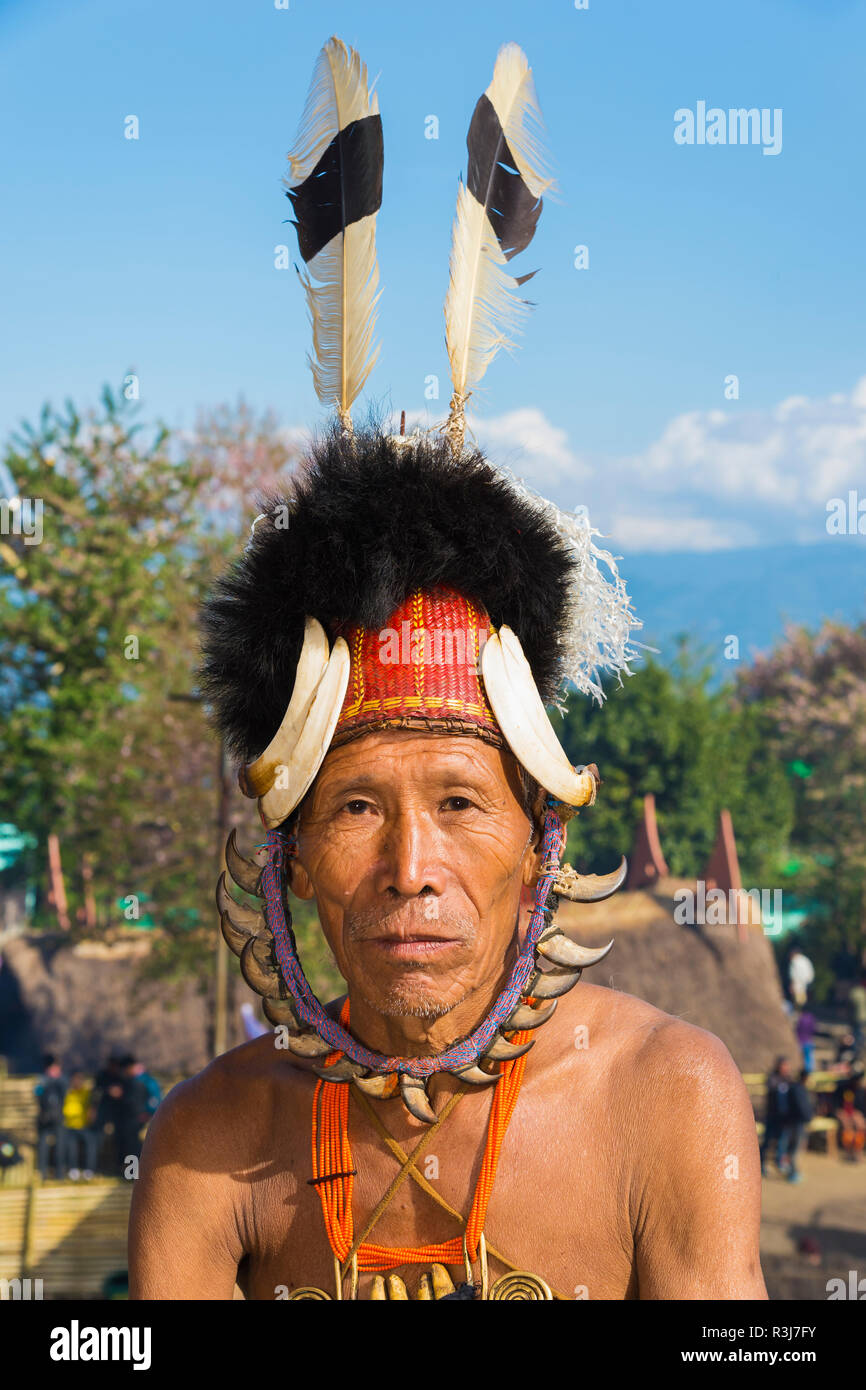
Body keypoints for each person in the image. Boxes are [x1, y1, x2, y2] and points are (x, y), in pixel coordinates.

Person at [128, 36, 766, 1302]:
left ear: (538, 836)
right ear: (291, 853)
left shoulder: (668, 1104)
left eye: (461, 802)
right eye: (356, 806)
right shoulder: (206, 1149)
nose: (409, 870)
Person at [34, 1054, 67, 1180]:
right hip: (44, 1117)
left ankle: (59, 1174)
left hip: (59, 1117)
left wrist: (56, 1079)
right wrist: (46, 1082)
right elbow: (37, 1093)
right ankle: (42, 1172)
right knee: (43, 1146)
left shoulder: (62, 1080)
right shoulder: (42, 1080)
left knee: (60, 1146)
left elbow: (65, 1094)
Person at [62, 1069, 99, 1179]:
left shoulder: (87, 1093)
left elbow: (93, 1106)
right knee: (71, 1146)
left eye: (80, 1080)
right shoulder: (67, 1093)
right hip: (70, 1126)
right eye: (75, 1080)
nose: (77, 1082)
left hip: (85, 1126)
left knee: (91, 1143)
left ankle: (89, 1170)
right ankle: (73, 1169)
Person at [780, 1067, 813, 1183]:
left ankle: (792, 1171)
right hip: (796, 1123)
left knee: (792, 1148)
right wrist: (809, 1117)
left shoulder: (797, 1088)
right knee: (794, 1149)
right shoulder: (798, 1089)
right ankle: (793, 1173)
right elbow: (802, 1107)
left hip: (794, 1122)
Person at [760, 1058, 793, 1176]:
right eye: (783, 1066)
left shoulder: (789, 1079)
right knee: (767, 1141)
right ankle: (761, 1164)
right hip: (772, 1116)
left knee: (782, 1141)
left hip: (783, 1118)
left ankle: (779, 1162)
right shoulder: (772, 1078)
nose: (785, 1068)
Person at [835, 1091, 865, 1162]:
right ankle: (851, 1154)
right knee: (848, 1136)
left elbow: (861, 1125)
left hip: (855, 1131)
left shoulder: (856, 1111)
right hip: (848, 1130)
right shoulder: (841, 1111)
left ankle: (856, 1154)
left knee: (858, 1136)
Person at [795, 1008, 817, 1073]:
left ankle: (804, 1071)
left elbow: (797, 1029)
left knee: (803, 1057)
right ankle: (809, 1071)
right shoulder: (811, 1018)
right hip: (809, 1041)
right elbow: (814, 1029)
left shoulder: (801, 1018)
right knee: (809, 1057)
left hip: (801, 1041)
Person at [849, 977, 866, 1056]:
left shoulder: (854, 992)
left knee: (856, 1034)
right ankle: (861, 1048)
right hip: (864, 1017)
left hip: (856, 1017)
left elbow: (850, 1006)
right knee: (861, 1033)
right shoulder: (863, 992)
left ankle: (856, 1051)